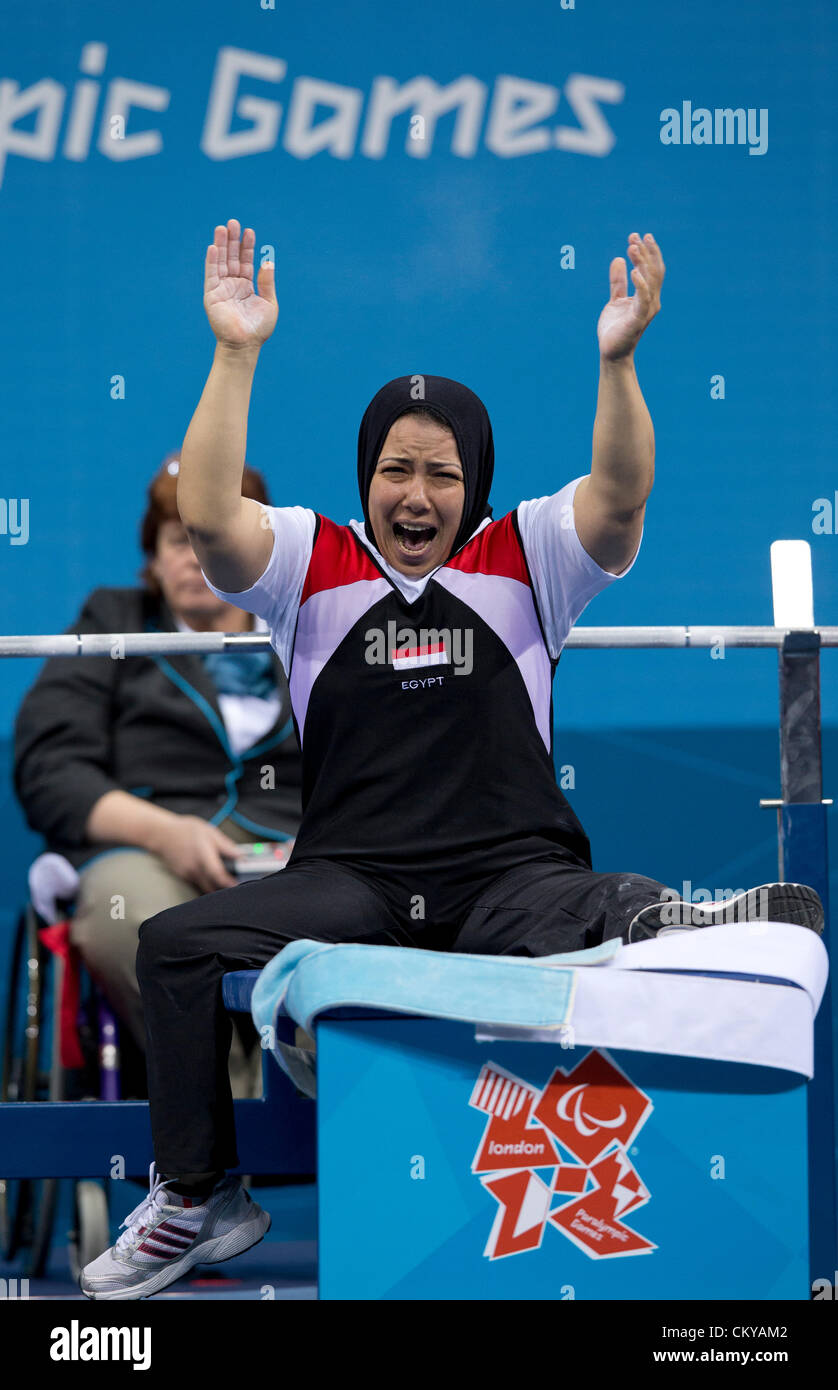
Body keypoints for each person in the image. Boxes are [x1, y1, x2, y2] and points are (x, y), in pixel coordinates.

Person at [80, 219, 823, 1299]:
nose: (414, 496)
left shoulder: (531, 554)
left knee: (603, 908)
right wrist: (234, 352)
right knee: (178, 945)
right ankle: (199, 1193)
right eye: (394, 470)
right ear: (364, 476)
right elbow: (206, 514)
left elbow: (618, 496)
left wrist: (616, 365)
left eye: (439, 473)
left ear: (474, 482)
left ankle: (680, 932)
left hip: (505, 876)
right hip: (352, 883)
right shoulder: (307, 561)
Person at [13, 455, 302, 1097]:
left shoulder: (308, 628)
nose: (194, 556)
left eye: (212, 537)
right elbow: (47, 766)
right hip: (145, 854)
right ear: (154, 553)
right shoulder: (113, 622)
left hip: (295, 861)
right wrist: (166, 832)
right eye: (179, 539)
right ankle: (225, 1135)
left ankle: (324, 1109)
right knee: (142, 921)